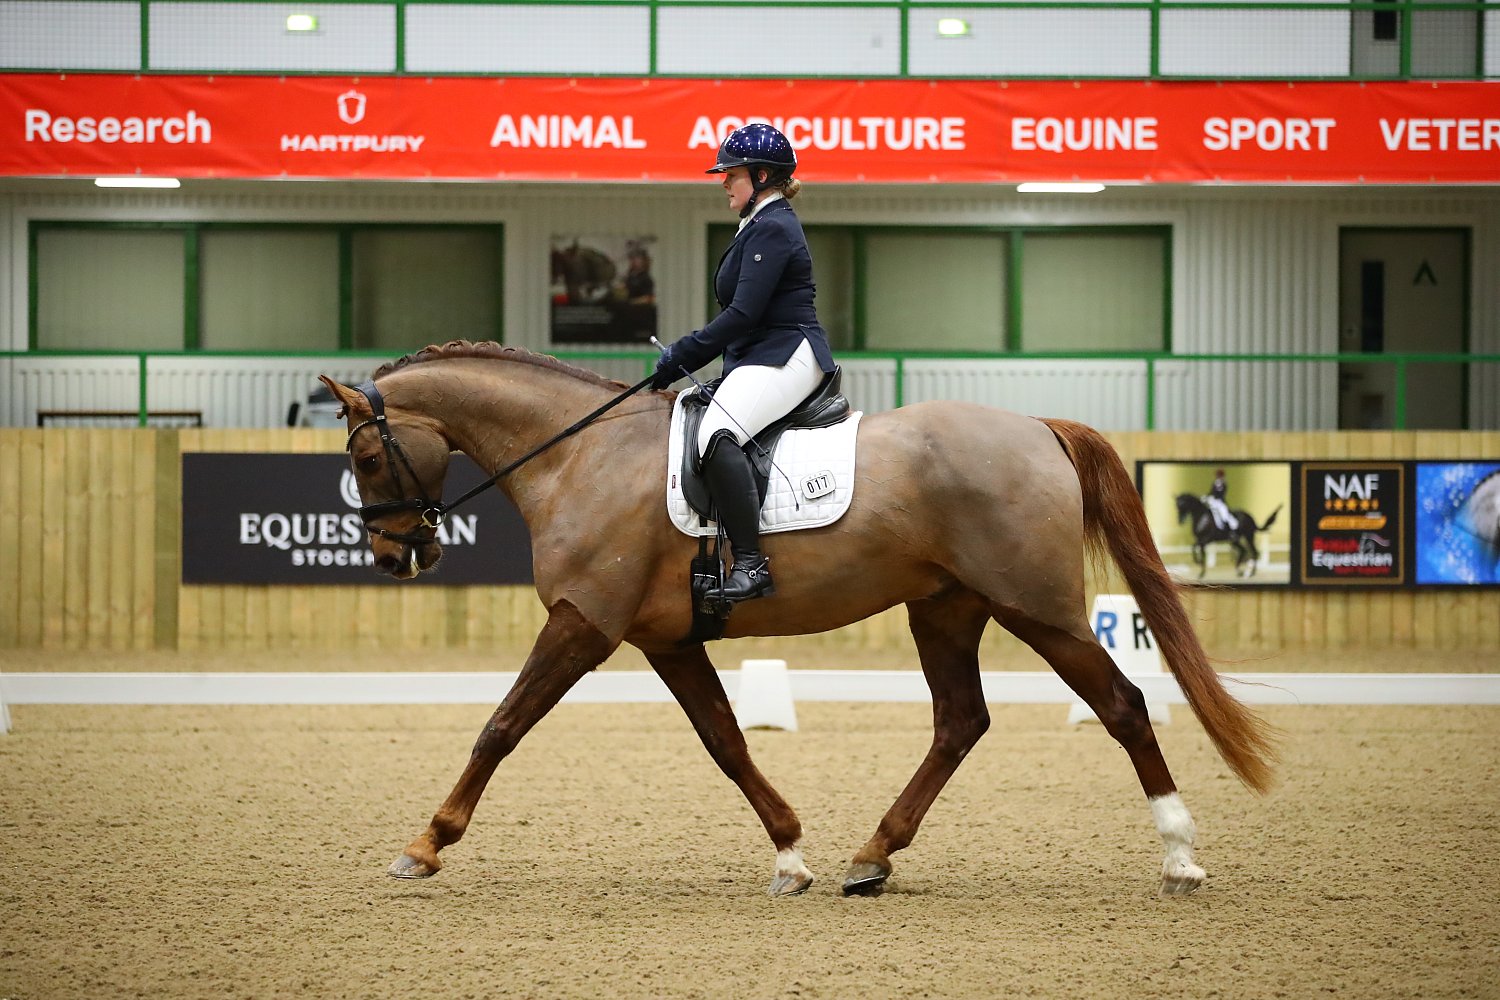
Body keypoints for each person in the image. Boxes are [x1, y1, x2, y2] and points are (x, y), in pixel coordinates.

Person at [650, 122, 837, 605]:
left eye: (730, 174)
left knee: (717, 434)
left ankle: (752, 564)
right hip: (760, 354)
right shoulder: (757, 224)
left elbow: (743, 315)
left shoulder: (773, 226)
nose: (723, 182)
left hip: (788, 352)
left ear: (760, 175)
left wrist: (683, 353)